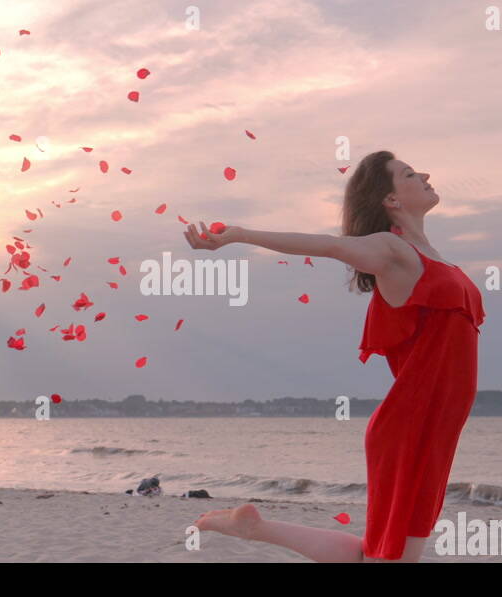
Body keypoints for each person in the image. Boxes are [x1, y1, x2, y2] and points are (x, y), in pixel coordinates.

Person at [184, 151, 485, 563]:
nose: (427, 174)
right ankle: (255, 529)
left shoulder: (432, 255)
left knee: (380, 552)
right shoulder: (391, 251)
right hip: (413, 426)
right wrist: (239, 234)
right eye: (410, 174)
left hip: (435, 427)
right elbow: (327, 245)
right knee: (391, 555)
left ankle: (254, 528)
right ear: (391, 200)